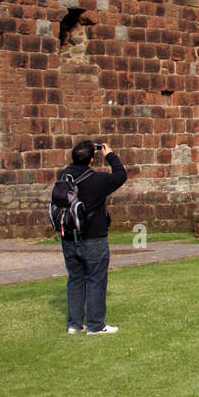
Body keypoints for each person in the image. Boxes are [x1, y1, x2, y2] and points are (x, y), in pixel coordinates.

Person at [59, 139, 127, 335]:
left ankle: (74, 324)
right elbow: (121, 175)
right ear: (91, 160)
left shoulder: (64, 176)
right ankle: (95, 325)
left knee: (75, 278)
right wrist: (110, 156)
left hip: (69, 237)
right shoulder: (97, 180)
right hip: (93, 238)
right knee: (96, 278)